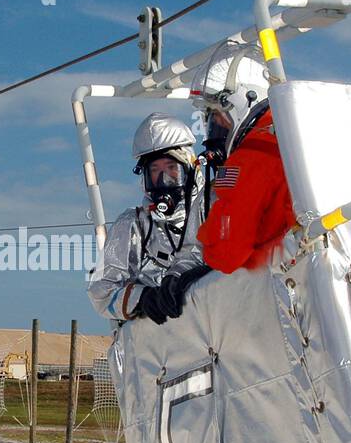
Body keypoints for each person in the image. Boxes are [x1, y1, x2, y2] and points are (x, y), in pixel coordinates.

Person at [88, 114, 210, 324]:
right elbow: (101, 291)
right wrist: (145, 299)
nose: (164, 179)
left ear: (190, 170)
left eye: (172, 169)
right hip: (154, 345)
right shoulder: (134, 224)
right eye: (155, 171)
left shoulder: (212, 211)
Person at [189, 40, 296, 273]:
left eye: (216, 114)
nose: (214, 126)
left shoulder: (249, 156)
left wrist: (205, 237)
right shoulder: (293, 133)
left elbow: (225, 254)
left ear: (240, 101)